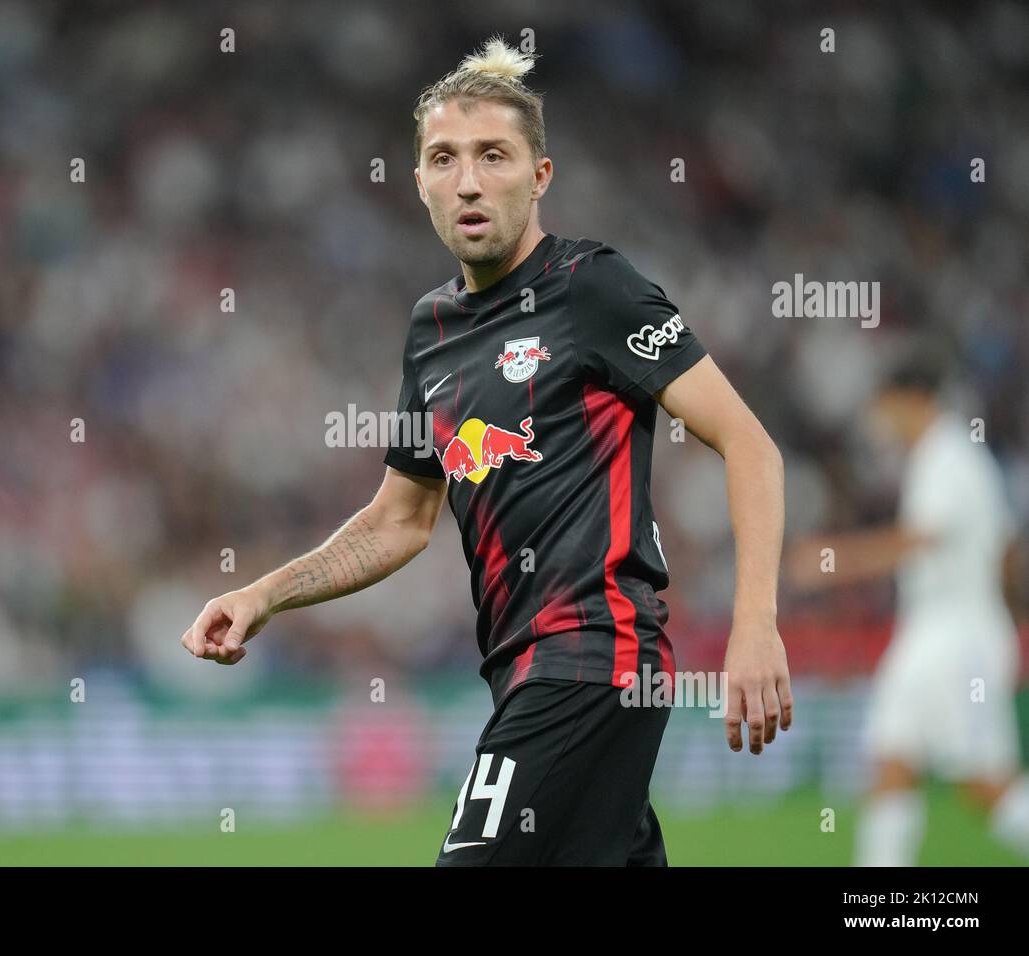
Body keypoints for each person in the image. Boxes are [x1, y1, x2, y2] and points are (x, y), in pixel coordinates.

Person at [182, 36, 791, 866]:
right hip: (524, 671)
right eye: (445, 158)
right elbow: (398, 519)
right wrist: (263, 595)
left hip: (591, 658)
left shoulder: (593, 288)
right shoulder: (431, 332)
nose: (468, 179)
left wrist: (756, 625)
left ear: (540, 177)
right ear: (421, 183)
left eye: (493, 156)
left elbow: (750, 445)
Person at [789, 348, 1029, 865]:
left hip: (956, 636)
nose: (878, 418)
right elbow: (1007, 550)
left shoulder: (949, 455)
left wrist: (831, 561)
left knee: (984, 784)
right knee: (891, 761)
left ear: (910, 399)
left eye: (884, 404)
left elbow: (916, 540)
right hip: (931, 632)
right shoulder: (947, 457)